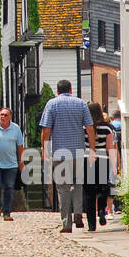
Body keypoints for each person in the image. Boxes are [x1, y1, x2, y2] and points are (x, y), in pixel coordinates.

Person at [40, 80, 93, 233]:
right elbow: (89, 128)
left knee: (63, 187)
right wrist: (93, 149)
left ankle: (66, 224)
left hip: (59, 152)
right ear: (71, 90)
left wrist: (45, 149)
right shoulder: (81, 103)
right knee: (78, 183)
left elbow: (46, 129)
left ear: (57, 91)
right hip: (78, 151)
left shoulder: (52, 104)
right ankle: (77, 212)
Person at [84, 102, 114, 231]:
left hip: (87, 159)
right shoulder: (107, 128)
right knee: (103, 187)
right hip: (103, 159)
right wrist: (113, 164)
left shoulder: (84, 128)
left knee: (89, 192)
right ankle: (102, 210)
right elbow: (110, 147)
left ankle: (91, 225)